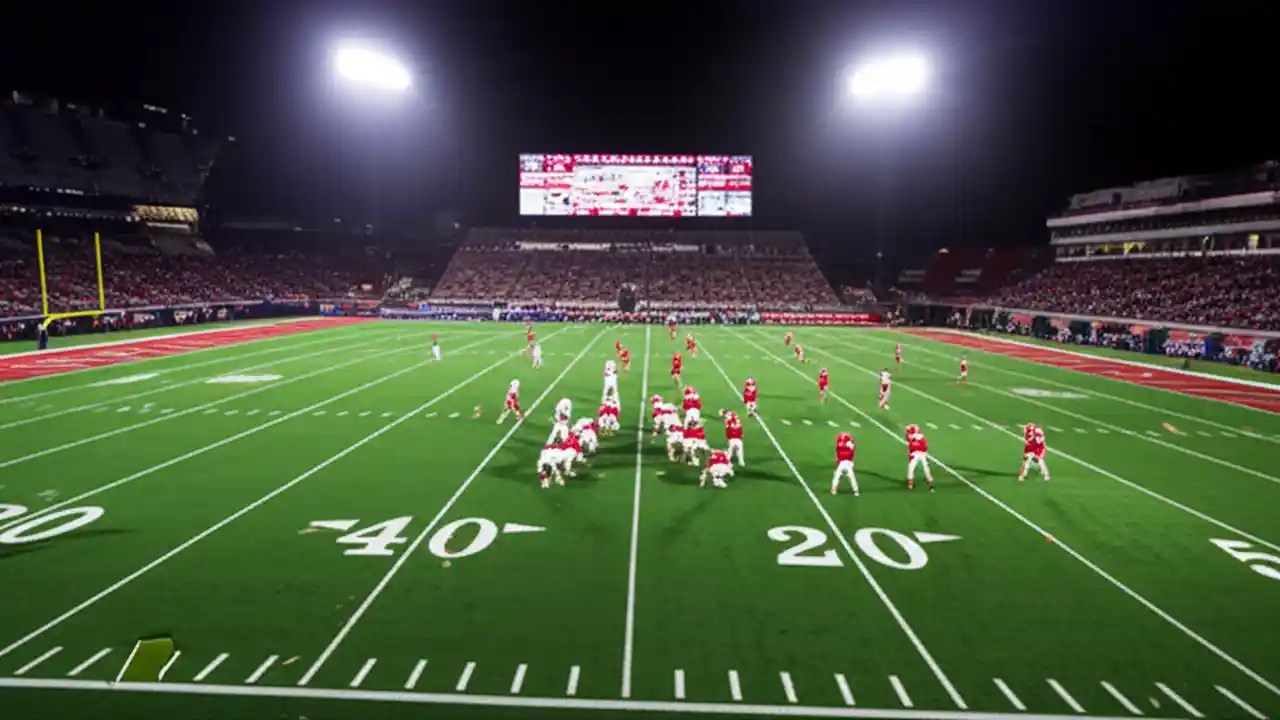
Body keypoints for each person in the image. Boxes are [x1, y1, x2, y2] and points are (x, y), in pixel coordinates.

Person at [905, 424, 935, 491]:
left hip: (921, 454)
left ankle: (931, 484)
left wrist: (916, 443)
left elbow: (924, 448)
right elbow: (908, 438)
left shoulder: (920, 438)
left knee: (925, 469)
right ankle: (910, 484)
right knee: (911, 468)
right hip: (915, 454)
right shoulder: (914, 436)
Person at [831, 431, 859, 496]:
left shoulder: (848, 444)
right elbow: (838, 450)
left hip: (848, 462)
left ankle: (855, 489)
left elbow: (851, 450)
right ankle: (834, 488)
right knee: (838, 475)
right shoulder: (843, 444)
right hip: (842, 462)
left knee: (851, 476)